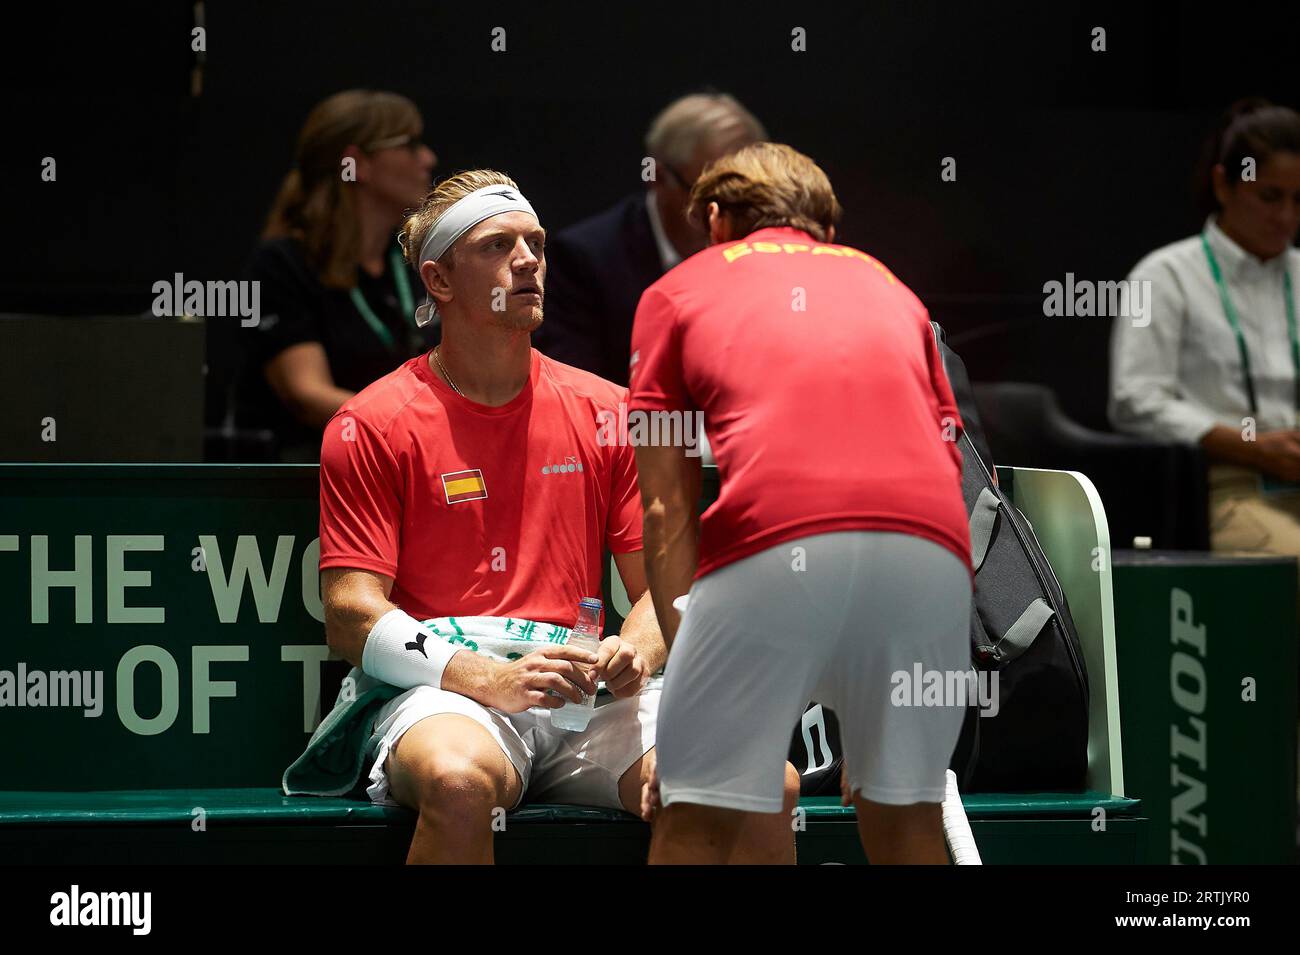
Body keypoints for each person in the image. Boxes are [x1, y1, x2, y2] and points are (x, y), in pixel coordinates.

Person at [317, 168, 799, 864]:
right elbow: (351, 613)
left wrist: (635, 650)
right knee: (456, 783)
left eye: (536, 243)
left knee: (757, 786)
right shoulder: (371, 422)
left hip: (587, 694)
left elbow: (664, 591)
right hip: (450, 692)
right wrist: (488, 676)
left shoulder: (612, 413)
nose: (527, 261)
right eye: (497, 245)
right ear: (440, 280)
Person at [630, 143, 973, 864]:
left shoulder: (675, 290)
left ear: (717, 218)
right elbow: (951, 460)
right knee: (904, 817)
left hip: (776, 546)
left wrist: (687, 662)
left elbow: (664, 507)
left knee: (694, 811)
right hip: (932, 554)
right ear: (823, 220)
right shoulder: (894, 286)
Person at [1110, 99, 1300, 570]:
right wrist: (1248, 446)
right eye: (1270, 197)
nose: (1286, 217)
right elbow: (1134, 399)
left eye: (1299, 200)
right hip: (1227, 488)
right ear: (1223, 185)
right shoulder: (1166, 275)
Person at [236, 90, 439, 462]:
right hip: (310, 478)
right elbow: (306, 394)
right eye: (409, 145)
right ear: (356, 163)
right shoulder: (282, 264)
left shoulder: (413, 261)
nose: (428, 158)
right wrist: (425, 426)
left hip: (403, 464)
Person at [532, 92, 766, 385]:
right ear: (657, 176)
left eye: (747, 197)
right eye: (710, 195)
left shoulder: (763, 249)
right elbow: (578, 389)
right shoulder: (585, 258)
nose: (728, 215)